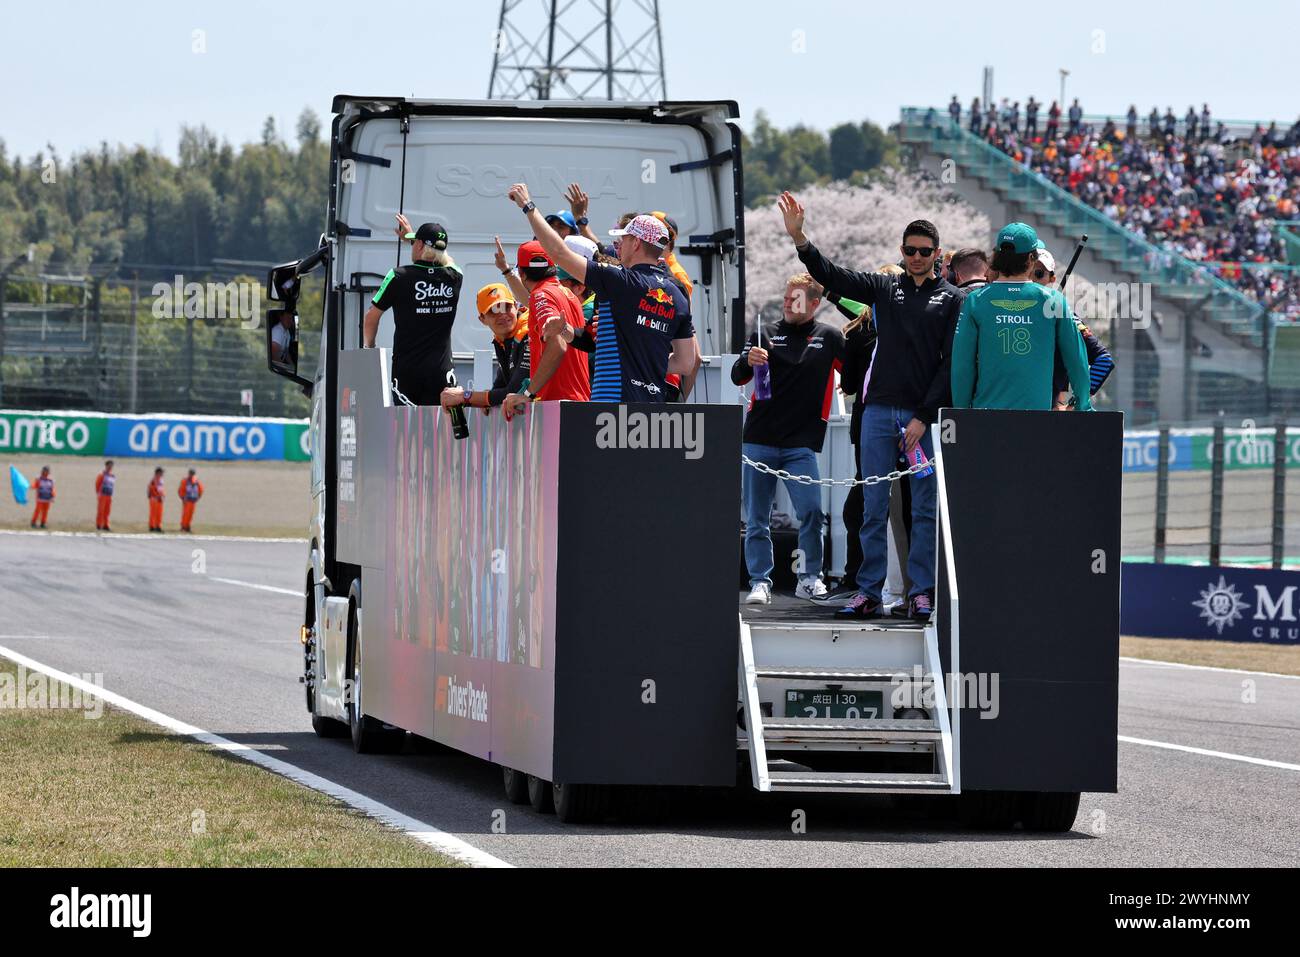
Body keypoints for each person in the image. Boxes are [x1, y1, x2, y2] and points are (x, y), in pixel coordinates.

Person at [778, 192, 960, 622]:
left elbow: (950, 365)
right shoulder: (884, 287)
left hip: (920, 420)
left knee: (922, 507)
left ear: (937, 255)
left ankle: (921, 592)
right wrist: (801, 239)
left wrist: (924, 416)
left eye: (925, 252)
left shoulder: (953, 299)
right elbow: (833, 276)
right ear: (901, 252)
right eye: (910, 251)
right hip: (877, 412)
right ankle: (869, 591)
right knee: (872, 506)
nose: (917, 257)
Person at [505, 183, 699, 407]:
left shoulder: (620, 280)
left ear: (636, 243)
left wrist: (528, 207)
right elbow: (686, 362)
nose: (618, 246)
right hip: (654, 409)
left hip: (610, 407)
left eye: (623, 240)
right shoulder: (677, 293)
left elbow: (559, 253)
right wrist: (565, 330)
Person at [733, 273, 845, 604]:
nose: (788, 305)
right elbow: (738, 375)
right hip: (760, 438)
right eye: (785, 299)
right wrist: (747, 360)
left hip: (801, 445)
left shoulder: (830, 337)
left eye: (795, 299)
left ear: (814, 303)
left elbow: (855, 372)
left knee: (811, 511)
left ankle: (809, 577)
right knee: (756, 516)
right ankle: (759, 581)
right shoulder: (763, 334)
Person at [950, 222, 1092, 412]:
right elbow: (1077, 361)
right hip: (1036, 419)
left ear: (997, 257)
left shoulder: (976, 301)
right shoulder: (1053, 300)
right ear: (1032, 258)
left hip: (986, 418)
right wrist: (1083, 404)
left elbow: (962, 365)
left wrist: (961, 410)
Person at [363, 213, 463, 406]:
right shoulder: (455, 277)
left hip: (407, 371)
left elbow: (371, 317)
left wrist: (369, 348)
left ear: (418, 245)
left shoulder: (398, 276)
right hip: (441, 371)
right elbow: (445, 260)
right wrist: (415, 240)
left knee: (406, 432)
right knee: (441, 432)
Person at [501, 238, 589, 412]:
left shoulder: (541, 295)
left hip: (556, 406)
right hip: (578, 402)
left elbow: (558, 345)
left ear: (523, 274)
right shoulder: (568, 294)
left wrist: (528, 394)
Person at [443, 283, 532, 412]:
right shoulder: (502, 340)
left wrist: (465, 397)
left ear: (516, 306)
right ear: (482, 319)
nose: (502, 314)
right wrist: (484, 400)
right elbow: (500, 387)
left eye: (506, 307)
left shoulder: (527, 332)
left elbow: (515, 391)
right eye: (494, 310)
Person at [178, 468, 203, 533]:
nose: (191, 475)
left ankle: (188, 527)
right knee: (185, 514)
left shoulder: (197, 481)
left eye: (193, 474)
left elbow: (201, 490)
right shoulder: (185, 481)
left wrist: (198, 497)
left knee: (190, 514)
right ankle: (183, 527)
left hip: (193, 500)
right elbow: (181, 490)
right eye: (190, 473)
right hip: (187, 500)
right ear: (188, 474)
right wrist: (183, 498)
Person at [94, 460, 115, 532]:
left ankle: (106, 525)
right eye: (109, 466)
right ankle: (99, 525)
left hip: (109, 495)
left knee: (107, 511)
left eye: (111, 466)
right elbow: (97, 484)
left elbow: (112, 486)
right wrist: (98, 493)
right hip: (102, 495)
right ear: (106, 466)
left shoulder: (112, 475)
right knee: (101, 510)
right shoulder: (102, 474)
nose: (110, 467)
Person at [147, 467, 167, 532]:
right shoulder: (153, 480)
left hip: (160, 500)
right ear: (158, 473)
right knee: (153, 513)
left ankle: (158, 526)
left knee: (159, 513)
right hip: (154, 499)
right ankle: (152, 526)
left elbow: (161, 489)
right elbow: (152, 490)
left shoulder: (161, 480)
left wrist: (163, 496)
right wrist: (157, 496)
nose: (162, 474)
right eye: (161, 472)